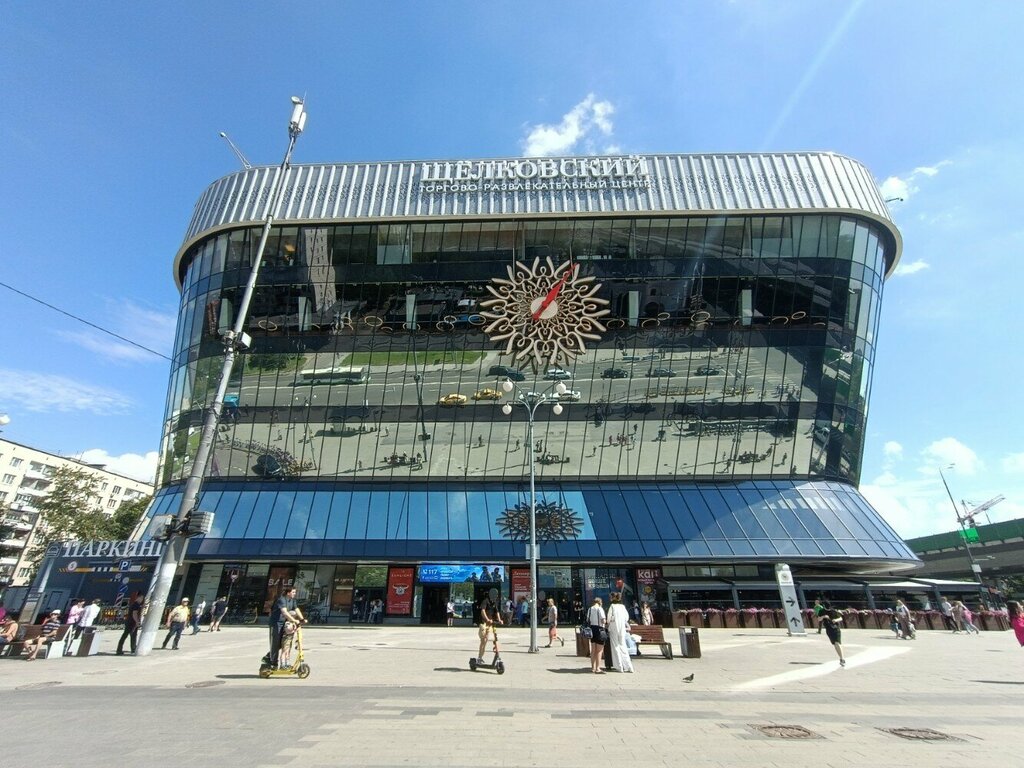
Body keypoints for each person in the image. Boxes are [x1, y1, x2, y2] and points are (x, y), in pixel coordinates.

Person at [268, 587, 305, 668]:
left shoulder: (292, 600)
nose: (295, 594)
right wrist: (294, 620)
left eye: (295, 592)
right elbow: (284, 612)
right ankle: (273, 663)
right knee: (275, 643)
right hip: (276, 623)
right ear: (288, 593)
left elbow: (296, 609)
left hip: (284, 623)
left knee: (285, 643)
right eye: (293, 592)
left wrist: (302, 619)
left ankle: (275, 658)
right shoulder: (282, 599)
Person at [606, 592, 634, 673]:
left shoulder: (612, 606)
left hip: (614, 627)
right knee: (623, 646)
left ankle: (619, 666)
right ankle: (628, 666)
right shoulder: (622, 606)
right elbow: (626, 617)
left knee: (615, 646)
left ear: (613, 598)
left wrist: (610, 621)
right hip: (622, 628)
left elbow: (608, 619)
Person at [476, 592, 502, 663]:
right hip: (484, 623)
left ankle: (480, 658)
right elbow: (482, 611)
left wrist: (499, 620)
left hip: (490, 624)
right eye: (495, 595)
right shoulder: (485, 601)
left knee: (488, 640)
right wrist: (487, 619)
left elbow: (497, 612)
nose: (496, 597)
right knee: (483, 640)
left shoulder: (494, 602)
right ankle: (479, 658)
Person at [586, 596, 607, 674]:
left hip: (592, 629)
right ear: (600, 602)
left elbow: (588, 619)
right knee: (599, 650)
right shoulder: (600, 609)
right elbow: (603, 620)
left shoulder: (590, 609)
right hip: (599, 629)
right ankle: (598, 668)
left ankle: (593, 667)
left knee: (593, 649)